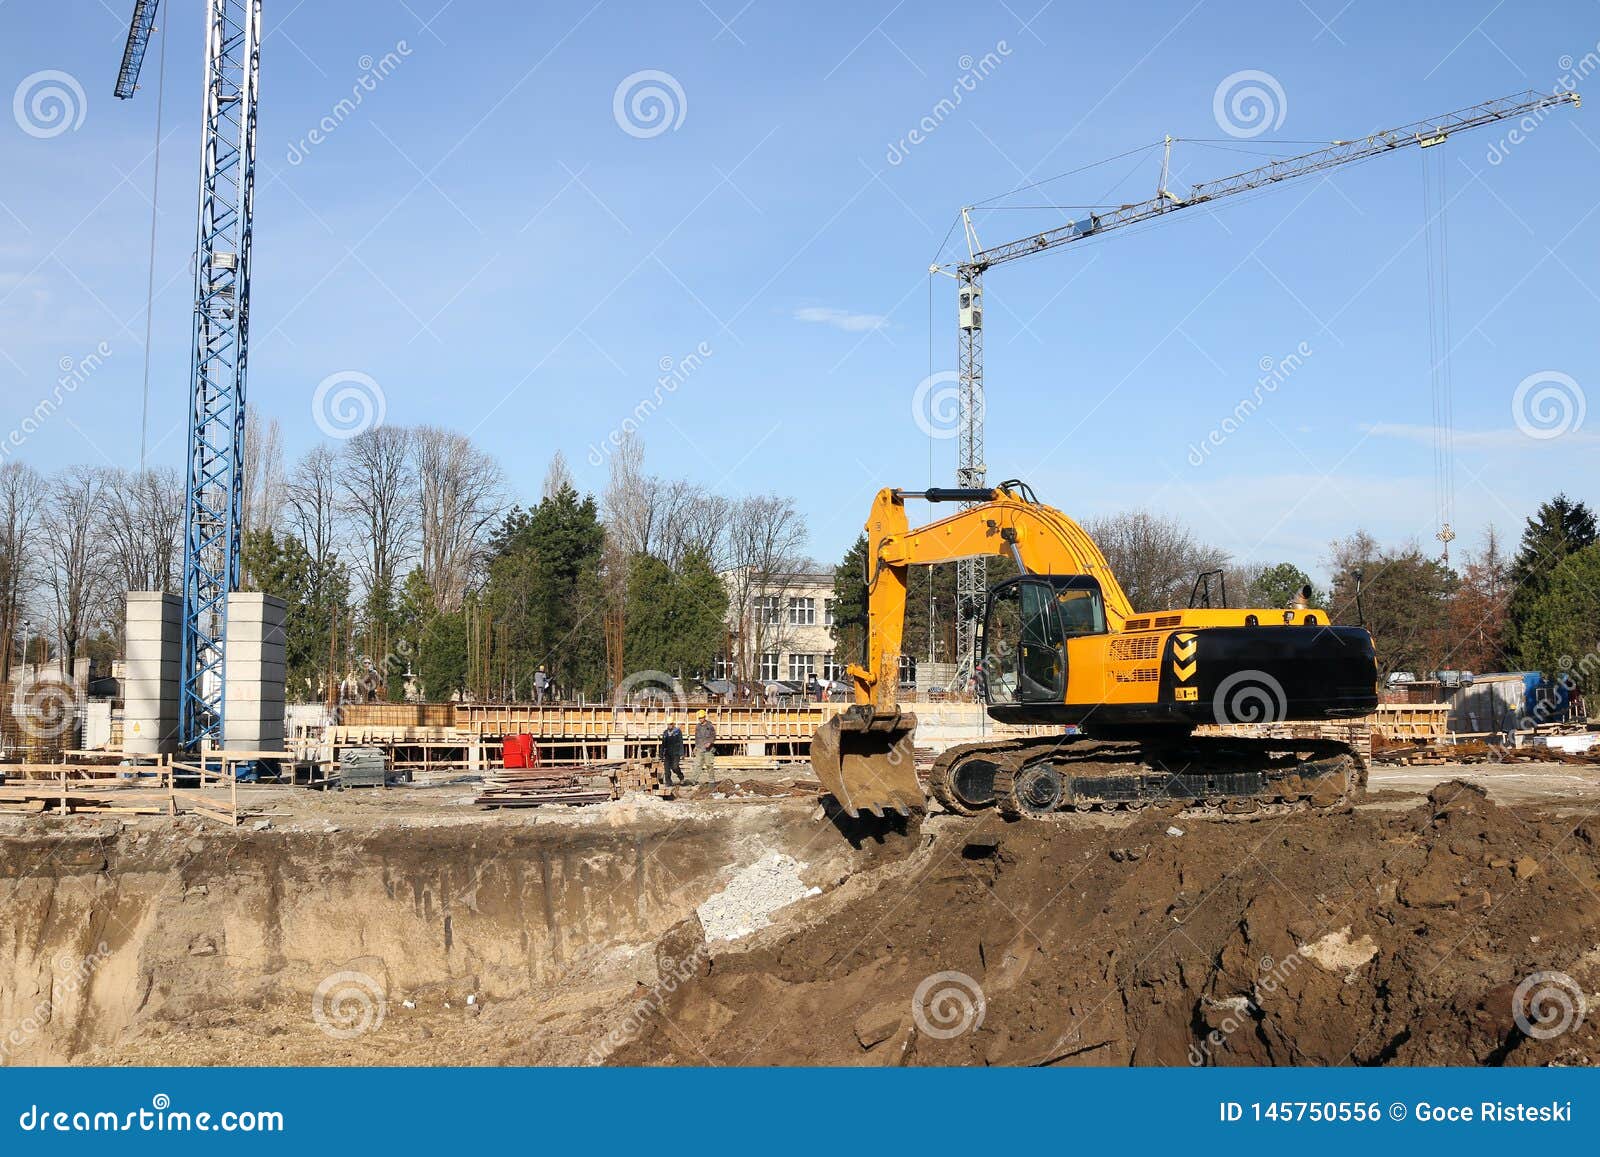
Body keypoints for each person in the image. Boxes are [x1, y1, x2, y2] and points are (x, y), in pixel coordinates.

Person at [693, 710, 716, 784]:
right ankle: (694, 780)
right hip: (700, 748)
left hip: (708, 750)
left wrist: (710, 742)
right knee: (697, 765)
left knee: (709, 765)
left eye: (701, 718)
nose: (700, 719)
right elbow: (696, 737)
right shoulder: (698, 726)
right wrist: (696, 747)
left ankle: (711, 780)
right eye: (699, 718)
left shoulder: (709, 725)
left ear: (704, 717)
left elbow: (713, 736)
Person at [660, 720, 685, 786]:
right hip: (667, 754)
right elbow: (663, 744)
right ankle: (668, 782)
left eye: (671, 724)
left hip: (676, 753)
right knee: (667, 769)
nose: (669, 726)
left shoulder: (677, 732)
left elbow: (681, 742)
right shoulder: (665, 733)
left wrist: (682, 753)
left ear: (673, 724)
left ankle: (681, 777)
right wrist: (661, 754)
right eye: (668, 724)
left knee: (675, 767)